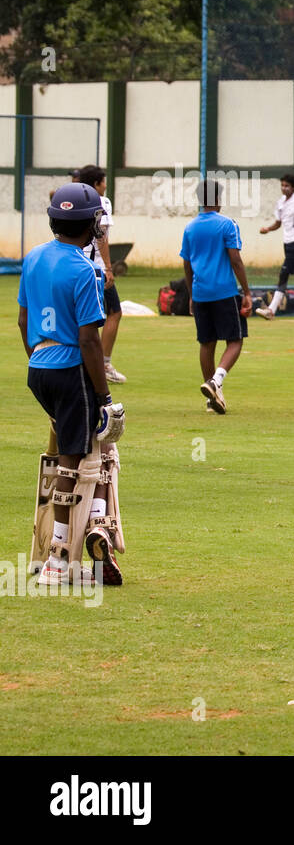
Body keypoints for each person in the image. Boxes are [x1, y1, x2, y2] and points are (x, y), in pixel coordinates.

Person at [19, 182, 125, 586]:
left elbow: (22, 321)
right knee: (73, 459)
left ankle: (97, 522)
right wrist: (105, 396)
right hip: (70, 370)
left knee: (88, 446)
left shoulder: (32, 258)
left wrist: (40, 364)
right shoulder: (85, 269)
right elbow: (88, 340)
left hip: (39, 366)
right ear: (91, 223)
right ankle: (58, 558)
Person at [180, 180, 253, 414]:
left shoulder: (190, 228)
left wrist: (191, 295)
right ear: (219, 199)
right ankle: (216, 381)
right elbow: (235, 260)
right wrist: (247, 292)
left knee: (207, 342)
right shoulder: (227, 225)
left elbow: (187, 264)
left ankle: (212, 399)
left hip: (201, 293)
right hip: (224, 291)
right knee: (235, 340)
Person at [77, 165, 126, 383]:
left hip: (74, 264)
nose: (106, 186)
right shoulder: (101, 201)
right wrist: (108, 267)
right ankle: (102, 363)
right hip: (95, 267)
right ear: (97, 184)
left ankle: (79, 363)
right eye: (104, 181)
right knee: (113, 312)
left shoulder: (76, 199)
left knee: (77, 315)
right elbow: (102, 237)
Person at [256, 173, 294, 320]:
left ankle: (271, 310)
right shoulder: (281, 202)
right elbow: (278, 223)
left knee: (284, 273)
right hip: (287, 242)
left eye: (287, 186)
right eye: (282, 185)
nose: (284, 188)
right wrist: (268, 229)